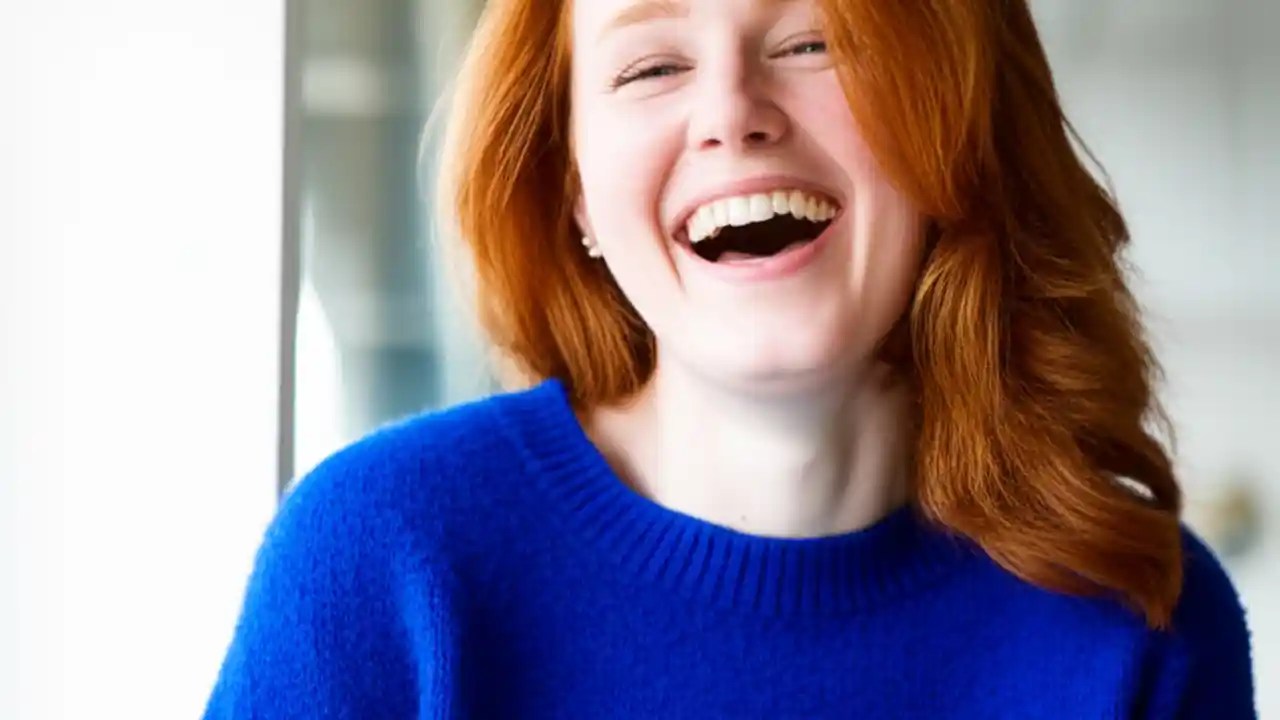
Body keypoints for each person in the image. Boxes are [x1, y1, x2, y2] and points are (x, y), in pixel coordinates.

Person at [204, 0, 1257, 716]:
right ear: (573, 187)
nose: (730, 117)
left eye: (811, 41)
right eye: (651, 64)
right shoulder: (382, 555)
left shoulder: (1142, 624)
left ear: (956, 126)